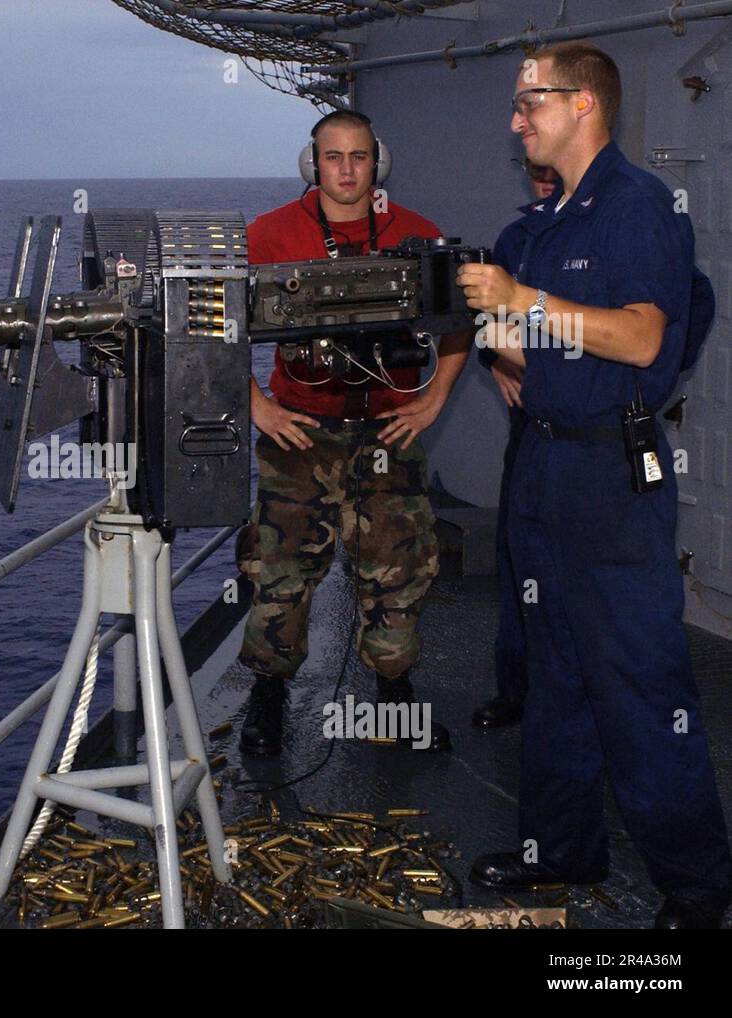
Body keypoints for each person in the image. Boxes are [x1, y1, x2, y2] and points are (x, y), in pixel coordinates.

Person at [458, 41, 731, 929]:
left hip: (611, 475)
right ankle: (560, 853)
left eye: (528, 102)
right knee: (556, 673)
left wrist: (527, 303)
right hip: (541, 461)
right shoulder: (541, 224)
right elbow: (515, 341)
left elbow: (648, 338)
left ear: (584, 105)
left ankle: (697, 888)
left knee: (639, 683)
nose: (515, 119)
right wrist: (493, 329)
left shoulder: (636, 207)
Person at [235, 109, 468, 756]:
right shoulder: (271, 234)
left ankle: (394, 699)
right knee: (280, 570)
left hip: (387, 432)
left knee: (398, 569)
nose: (345, 170)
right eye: (332, 157)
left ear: (377, 163)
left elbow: (459, 321)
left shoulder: (416, 234)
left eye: (358, 157)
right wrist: (260, 407)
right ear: (315, 164)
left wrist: (432, 401)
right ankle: (269, 697)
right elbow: (213, 324)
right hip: (300, 435)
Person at [471, 159, 559, 730]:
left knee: (584, 569)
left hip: (595, 424)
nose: (544, 177)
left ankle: (575, 698)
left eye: (553, 167)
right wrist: (494, 356)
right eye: (534, 169)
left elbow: (685, 305)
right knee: (518, 555)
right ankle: (517, 689)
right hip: (533, 427)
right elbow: (481, 313)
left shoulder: (615, 230)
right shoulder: (516, 237)